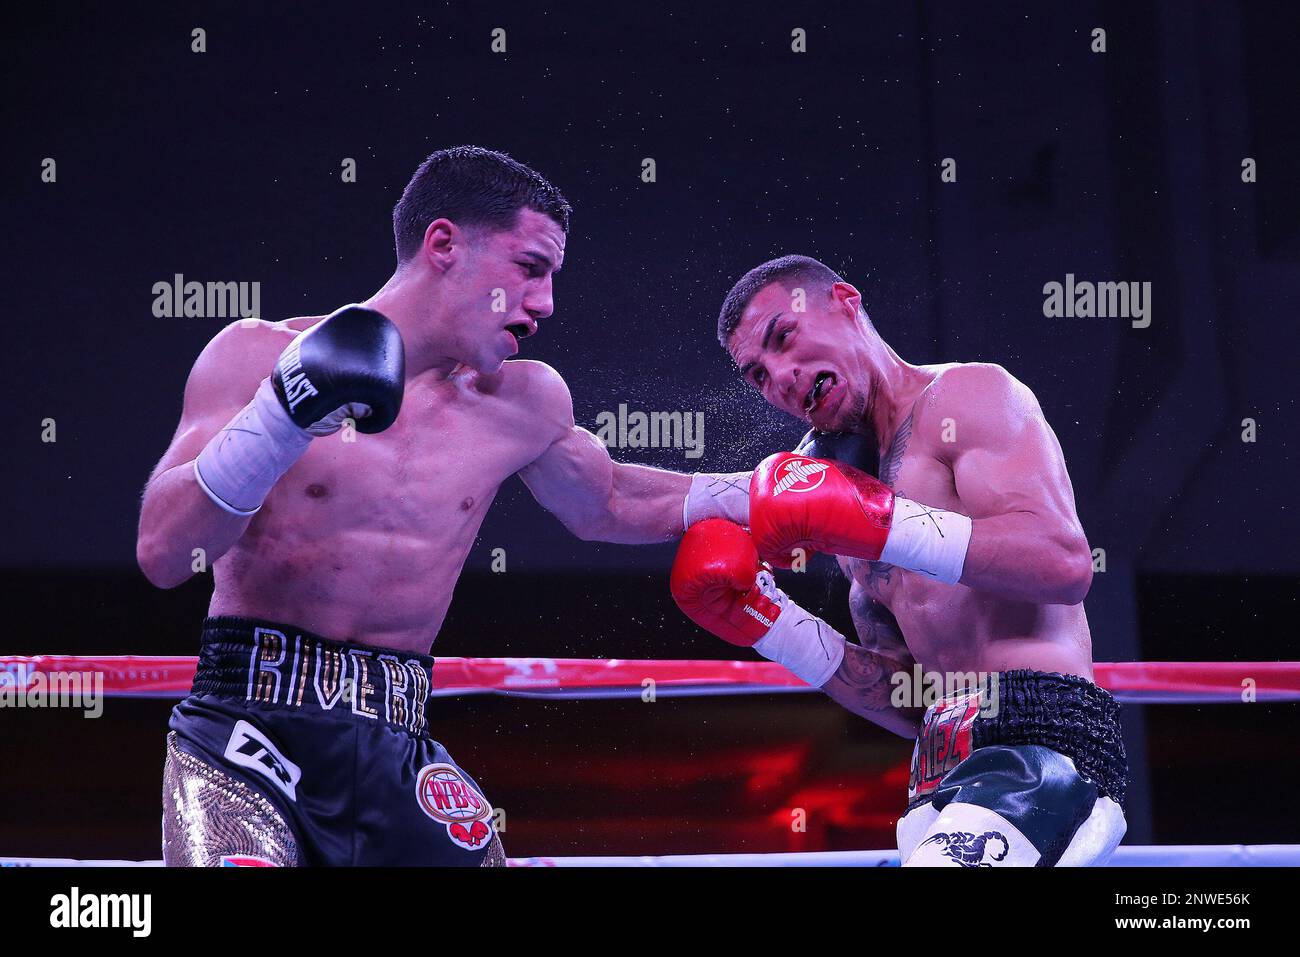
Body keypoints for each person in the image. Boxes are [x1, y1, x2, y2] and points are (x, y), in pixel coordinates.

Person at [138, 146, 730, 866]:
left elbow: (609, 500)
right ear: (444, 244)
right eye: (531, 267)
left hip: (397, 744)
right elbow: (164, 553)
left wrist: (775, 495)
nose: (545, 303)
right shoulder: (255, 354)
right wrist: (280, 416)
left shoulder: (521, 401)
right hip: (244, 738)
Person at [669, 254, 1128, 866]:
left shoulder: (968, 396)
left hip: (1040, 754)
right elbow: (907, 694)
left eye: (784, 338)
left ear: (844, 302)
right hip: (937, 775)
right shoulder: (847, 483)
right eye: (757, 374)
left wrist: (882, 525)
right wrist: (774, 626)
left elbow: (1063, 562)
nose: (779, 375)